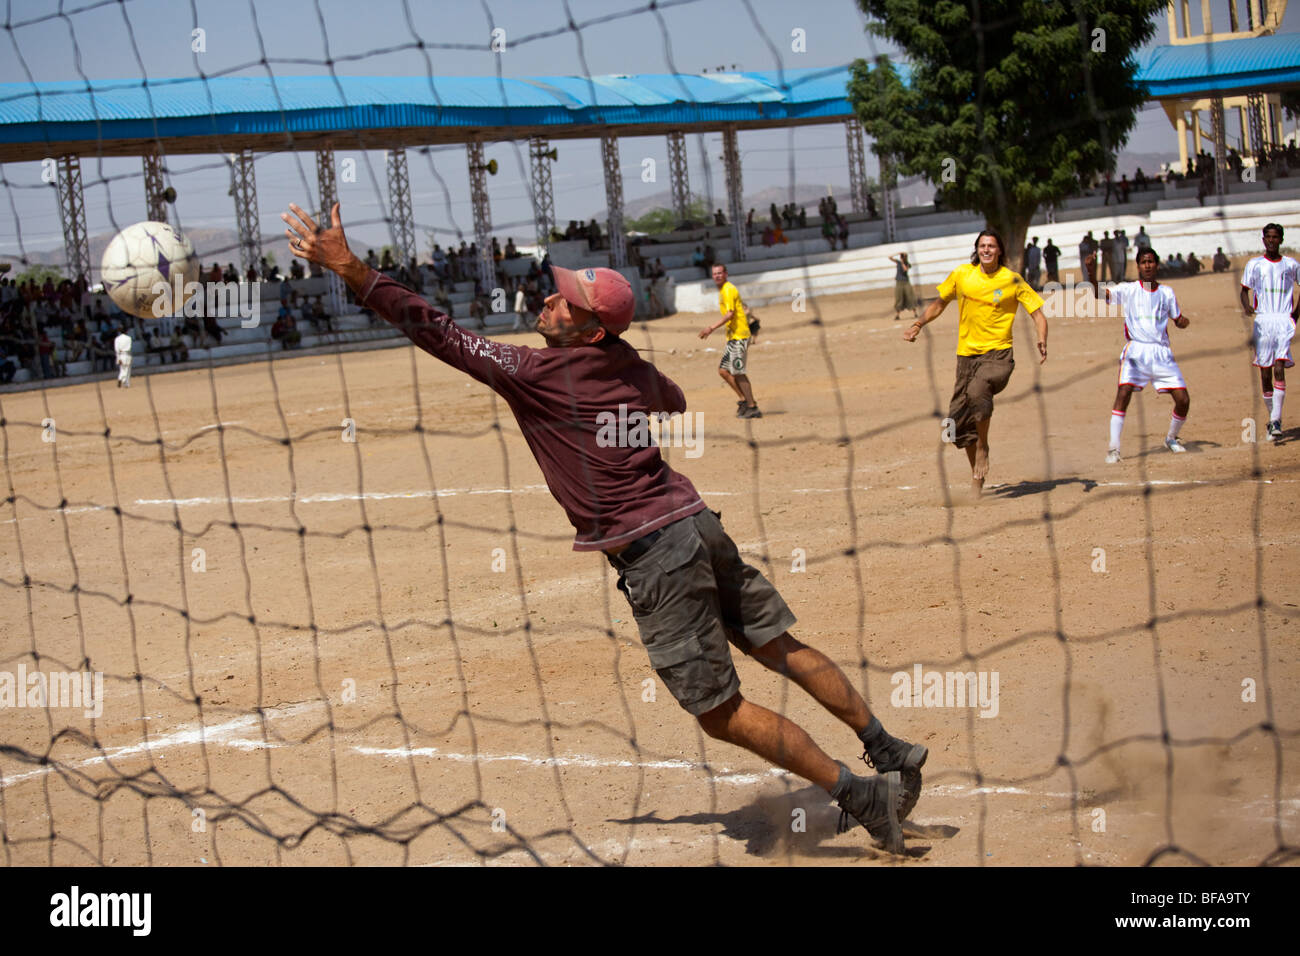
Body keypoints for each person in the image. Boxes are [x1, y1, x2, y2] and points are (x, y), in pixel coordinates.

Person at [281, 200, 927, 855]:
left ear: (590, 330)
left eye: (565, 303)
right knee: (779, 646)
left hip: (658, 554)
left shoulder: (534, 375)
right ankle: (887, 746)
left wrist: (352, 269)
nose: (548, 302)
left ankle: (858, 791)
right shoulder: (621, 363)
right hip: (698, 523)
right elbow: (669, 397)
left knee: (719, 712)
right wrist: (624, 377)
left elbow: (439, 331)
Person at [903, 230, 1048, 496]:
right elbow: (939, 304)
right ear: (977, 249)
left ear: (999, 250)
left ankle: (983, 446)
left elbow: (1038, 314)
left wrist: (1041, 339)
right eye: (982, 245)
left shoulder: (1012, 280)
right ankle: (977, 477)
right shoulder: (962, 275)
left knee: (977, 391)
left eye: (991, 246)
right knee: (956, 426)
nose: (987, 250)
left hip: (998, 356)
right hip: (966, 358)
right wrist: (917, 324)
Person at [1087, 248, 1191, 463]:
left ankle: (1171, 438)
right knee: (1123, 394)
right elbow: (1099, 294)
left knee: (1183, 399)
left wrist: (1182, 322)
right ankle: (1113, 449)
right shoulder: (1128, 290)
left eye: (1151, 261)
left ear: (1157, 265)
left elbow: (1177, 318)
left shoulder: (1167, 293)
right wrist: (1091, 273)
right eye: (1143, 262)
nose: (1147, 265)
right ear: (1138, 266)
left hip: (1162, 352)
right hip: (1136, 351)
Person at [1240, 223, 1300, 440]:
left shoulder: (1291, 264)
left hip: (1283, 319)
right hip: (1263, 320)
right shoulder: (1254, 265)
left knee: (1279, 365)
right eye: (1268, 237)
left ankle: (1275, 419)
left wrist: (1294, 315)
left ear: (1281, 240)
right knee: (1264, 372)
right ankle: (1273, 418)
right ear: (1263, 240)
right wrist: (1247, 307)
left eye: (1276, 237)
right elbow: (1244, 291)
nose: (1272, 240)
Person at [700, 263, 762, 419]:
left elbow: (730, 314)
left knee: (738, 373)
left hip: (739, 337)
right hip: (733, 338)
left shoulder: (728, 289)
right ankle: (744, 399)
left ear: (726, 274)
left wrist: (711, 328)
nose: (717, 276)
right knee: (723, 371)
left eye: (720, 273)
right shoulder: (724, 290)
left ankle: (752, 407)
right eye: (714, 274)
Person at [889, 252, 918, 322]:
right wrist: (898, 253)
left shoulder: (907, 264)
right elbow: (890, 257)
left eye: (903, 257)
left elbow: (905, 269)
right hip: (899, 282)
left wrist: (902, 262)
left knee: (910, 297)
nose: (902, 258)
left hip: (906, 283)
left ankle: (915, 313)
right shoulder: (898, 262)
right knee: (899, 298)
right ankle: (897, 315)